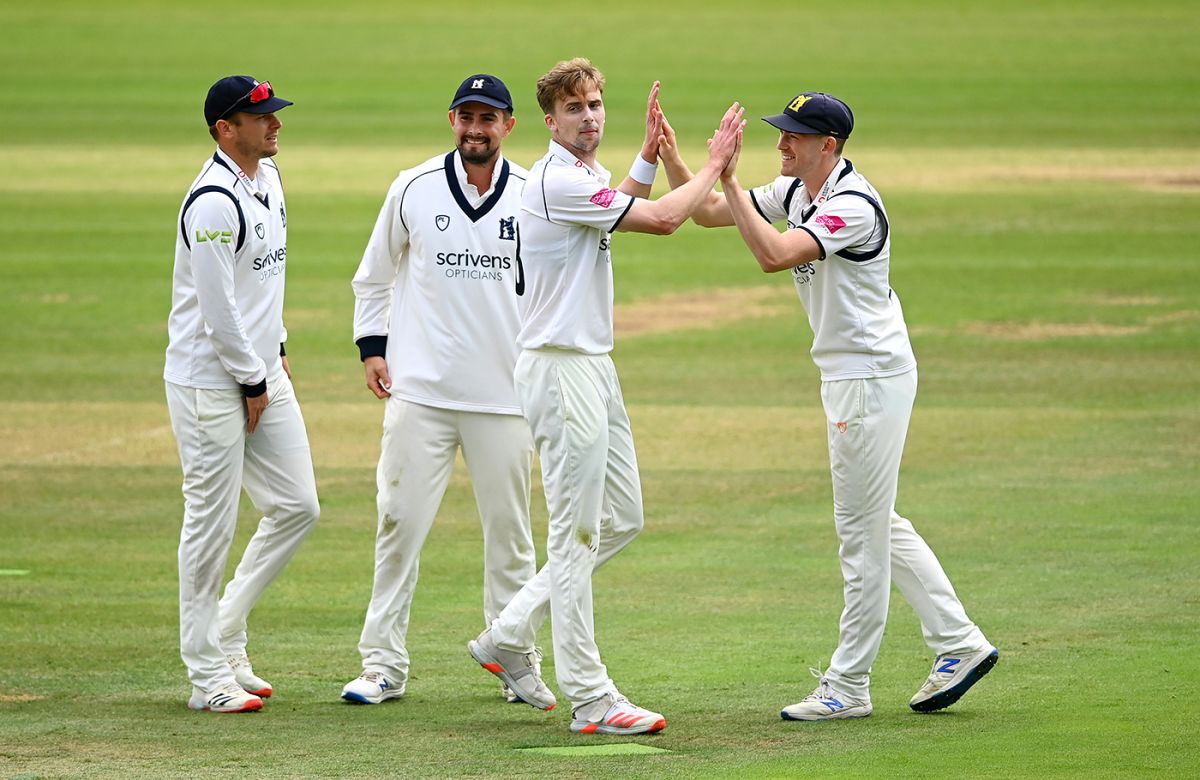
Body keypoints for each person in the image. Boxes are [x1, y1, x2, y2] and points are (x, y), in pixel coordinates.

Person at [657, 90, 997, 720]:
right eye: (781, 133)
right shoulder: (798, 191)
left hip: (868, 378)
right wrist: (686, 162)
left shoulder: (853, 206)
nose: (782, 144)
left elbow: (773, 254)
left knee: (860, 534)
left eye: (795, 136)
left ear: (829, 146)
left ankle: (849, 684)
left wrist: (728, 176)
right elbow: (707, 213)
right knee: (880, 522)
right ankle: (959, 642)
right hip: (849, 376)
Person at [467, 57, 744, 735]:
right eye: (575, 108)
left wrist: (648, 156)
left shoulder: (583, 177)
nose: (589, 117)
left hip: (591, 365)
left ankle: (506, 632)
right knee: (575, 532)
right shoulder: (556, 179)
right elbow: (658, 221)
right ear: (550, 120)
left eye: (595, 105)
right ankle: (591, 698)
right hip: (561, 371)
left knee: (621, 517)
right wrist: (714, 166)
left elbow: (619, 204)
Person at [342, 74, 541, 706]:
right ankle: (382, 665)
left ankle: (514, 658)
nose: (476, 129)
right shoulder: (414, 186)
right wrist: (373, 349)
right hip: (421, 392)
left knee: (511, 536)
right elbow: (373, 277)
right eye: (466, 117)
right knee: (398, 523)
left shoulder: (536, 193)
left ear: (509, 125)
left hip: (505, 397)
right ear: (451, 120)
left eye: (489, 118)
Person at [164, 76, 319, 714]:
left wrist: (275, 350)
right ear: (225, 130)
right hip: (210, 382)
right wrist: (251, 378)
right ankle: (206, 676)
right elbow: (215, 305)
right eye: (260, 118)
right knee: (210, 525)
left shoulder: (269, 179)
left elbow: (265, 281)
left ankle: (225, 629)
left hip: (261, 371)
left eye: (273, 114)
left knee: (297, 506)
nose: (274, 124)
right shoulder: (212, 202)